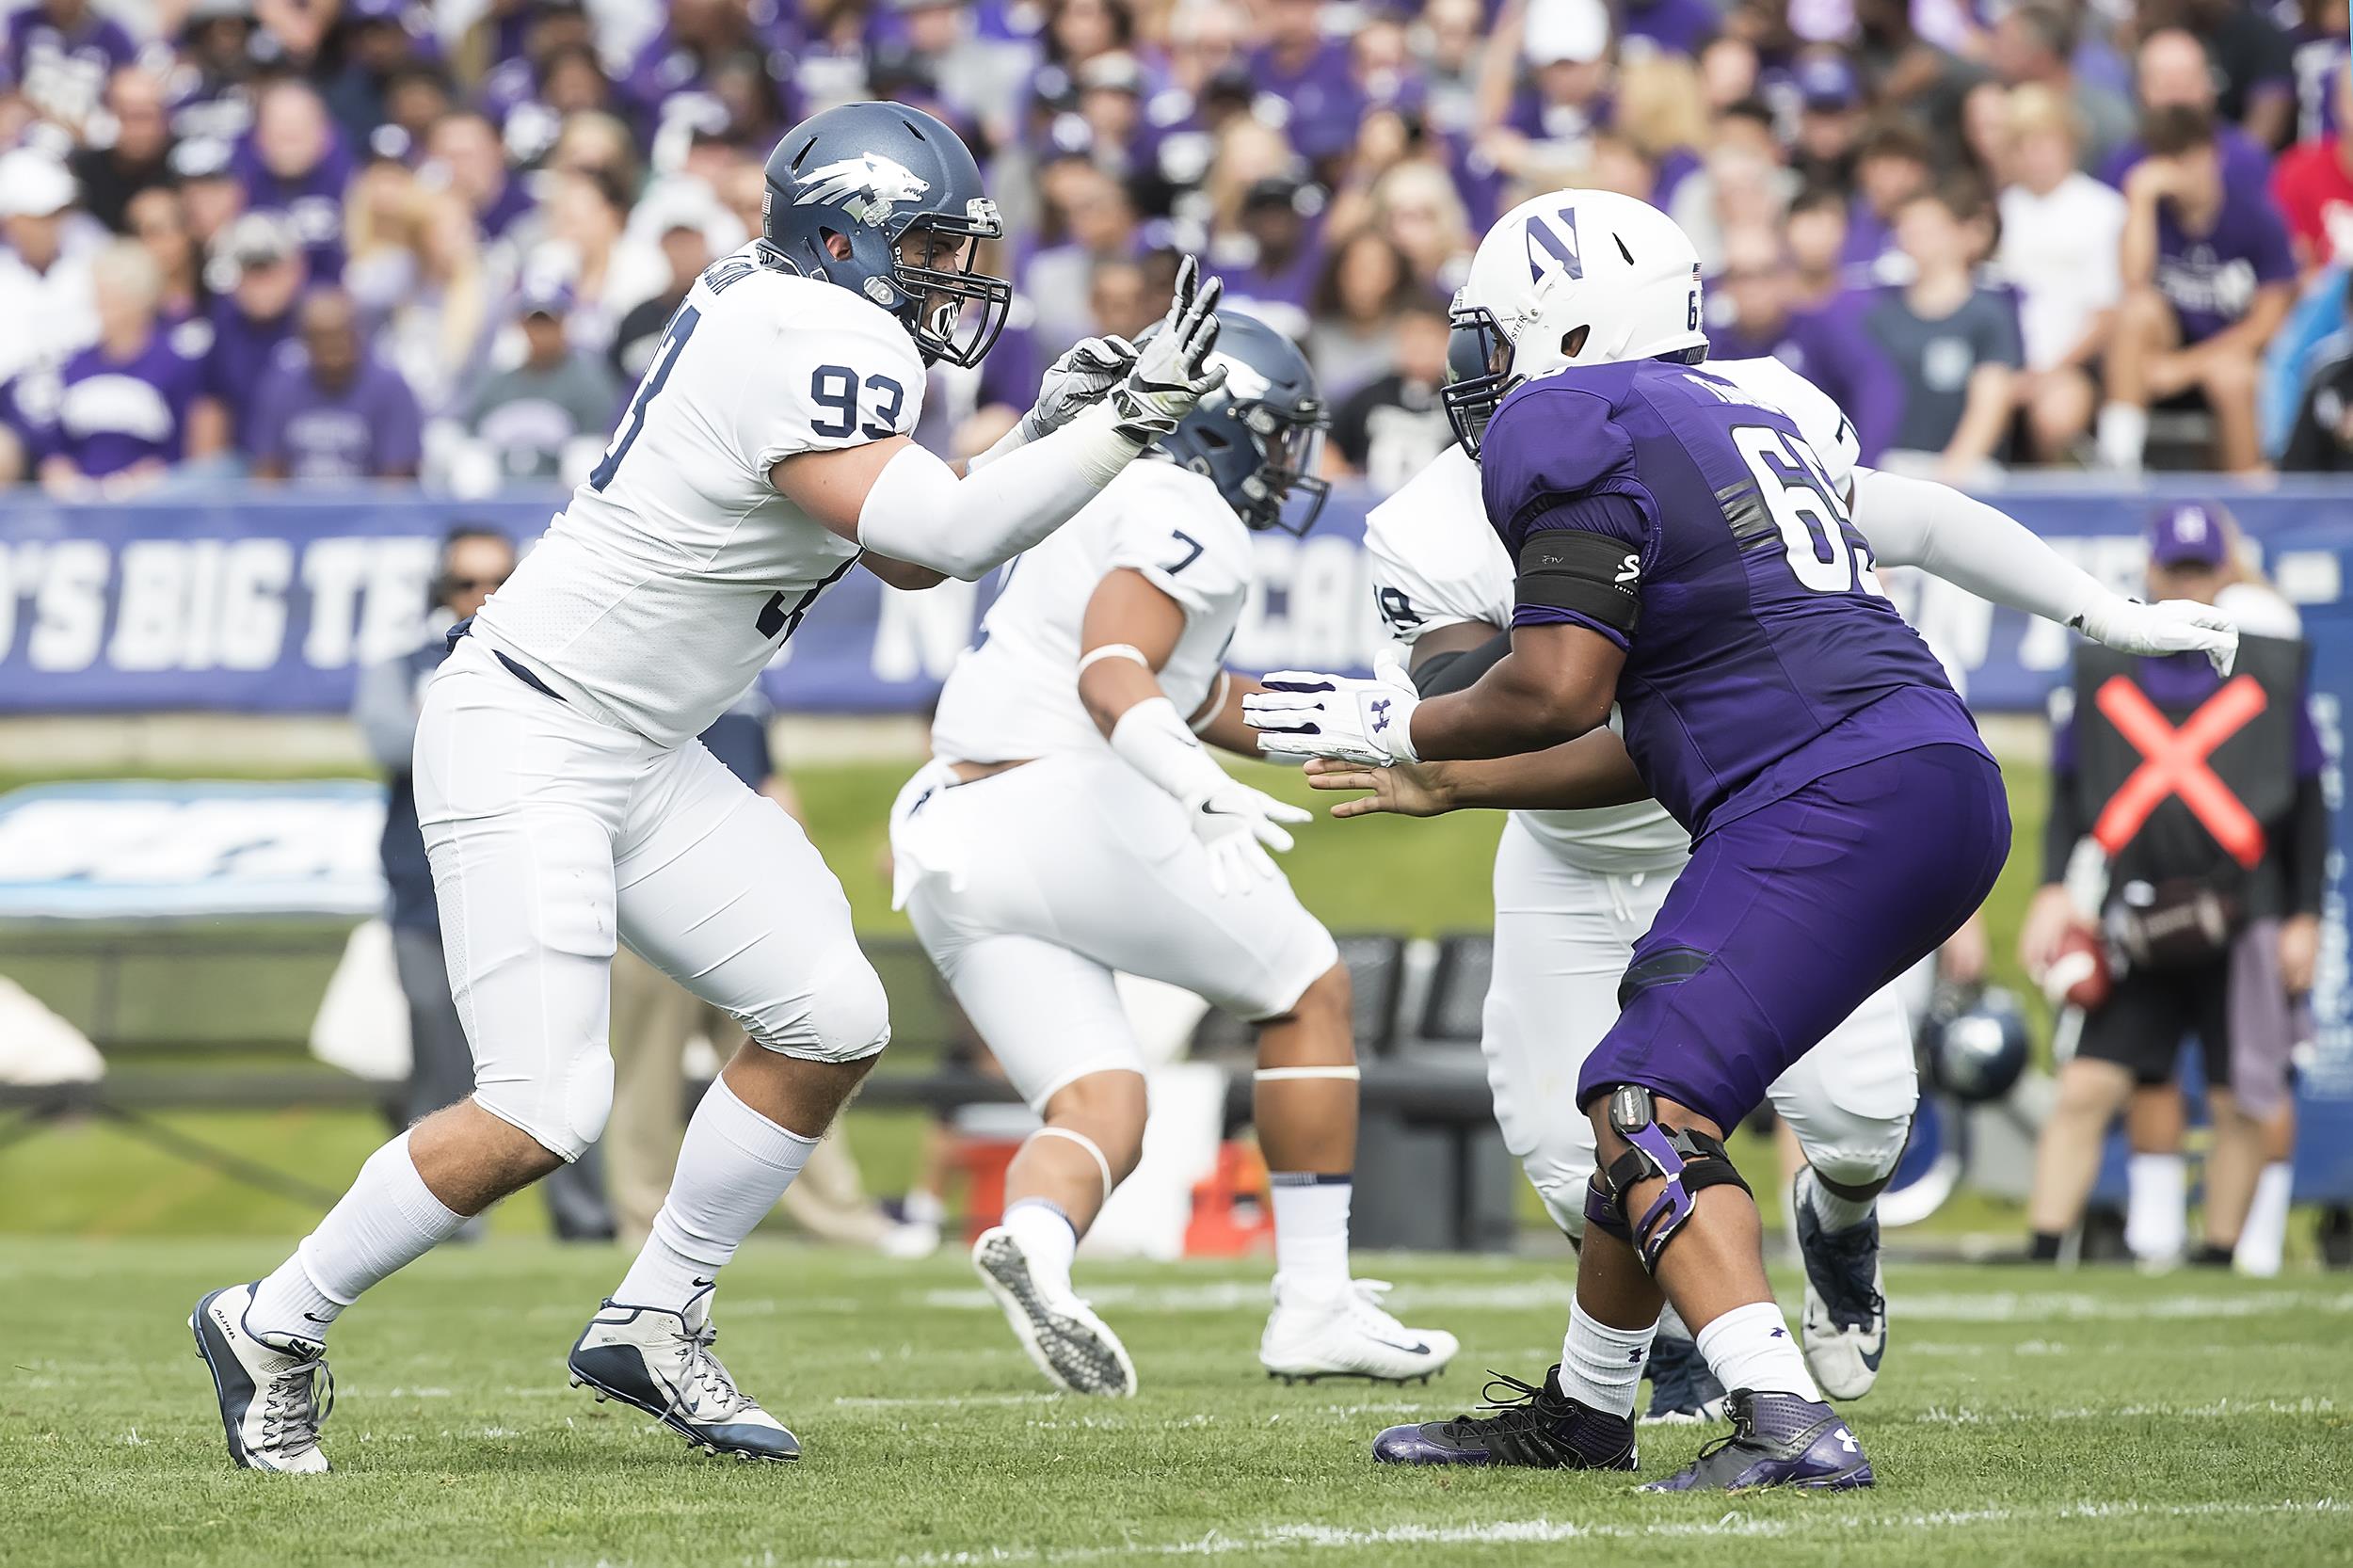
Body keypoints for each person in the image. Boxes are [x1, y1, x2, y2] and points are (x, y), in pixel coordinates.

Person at [189, 101, 1226, 1475]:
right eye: (927, 244)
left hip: (636, 747)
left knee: (830, 1012)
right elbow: (949, 535)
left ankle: (655, 1313)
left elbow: (911, 547)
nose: (956, 276)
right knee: (540, 1106)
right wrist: (1114, 432)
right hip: (532, 730)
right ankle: (271, 1321)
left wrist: (1047, 423)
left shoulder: (798, 322)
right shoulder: (813, 335)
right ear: (846, 237)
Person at [1244, 190, 2234, 1491]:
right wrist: (2098, 612)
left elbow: (1551, 690)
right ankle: (1590, 1411)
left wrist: (1396, 724)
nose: (1474, 371)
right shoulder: (1745, 408)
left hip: (1817, 794)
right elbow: (1670, 706)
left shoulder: (1568, 420)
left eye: (1496, 338)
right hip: (1883, 771)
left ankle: (1786, 1415)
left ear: (1571, 330)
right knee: (1631, 1092)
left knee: (1655, 1104)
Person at [893, 312, 1455, 1397]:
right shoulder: (1181, 504)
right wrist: (1197, 787)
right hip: (1057, 798)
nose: (1293, 462)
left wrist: (1380, 724)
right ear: (1228, 429)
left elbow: (1194, 692)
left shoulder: (1091, 484)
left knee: (1101, 1103)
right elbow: (1118, 674)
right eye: (1281, 435)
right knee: (1306, 986)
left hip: (947, 827)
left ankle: (1040, 1253)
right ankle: (1314, 1301)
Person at [2020, 504, 2324, 1272]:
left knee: (2241, 1096)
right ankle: (2044, 1250)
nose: (2187, 582)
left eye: (2201, 568)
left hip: (2245, 916)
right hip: (2138, 917)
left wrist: (2304, 916)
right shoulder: (2099, 671)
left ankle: (2221, 1257)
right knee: (2087, 1087)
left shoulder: (2276, 668)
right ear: (2151, 573)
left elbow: (2309, 804)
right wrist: (2054, 887)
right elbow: (2065, 791)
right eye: (2175, 568)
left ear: (2226, 574)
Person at [349, 525, 615, 1242]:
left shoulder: (555, 655)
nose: (484, 596)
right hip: (423, 896)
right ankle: (445, 1226)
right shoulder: (402, 661)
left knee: (567, 1057)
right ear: (444, 591)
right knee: (440, 1066)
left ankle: (586, 1221)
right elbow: (386, 741)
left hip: (530, 885)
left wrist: (445, 719)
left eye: (498, 578)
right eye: (468, 583)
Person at [2099, 106, 2297, 474]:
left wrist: (2185, 368)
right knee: (2136, 312)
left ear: (2213, 154)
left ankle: (2248, 501)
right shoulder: (2154, 213)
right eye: (2172, 161)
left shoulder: (2258, 218)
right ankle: (2117, 463)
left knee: (2232, 377)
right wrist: (2139, 201)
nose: (2185, 173)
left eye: (2192, 157)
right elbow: (2132, 283)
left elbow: (2269, 322)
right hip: (2161, 350)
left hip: (2230, 353)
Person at [1996, 85, 2127, 463]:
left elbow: (2107, 312)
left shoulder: (2104, 210)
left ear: (2070, 143)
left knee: (2056, 415)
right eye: (2024, 144)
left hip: (2070, 365)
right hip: (1999, 365)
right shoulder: (1998, 211)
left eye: (2046, 141)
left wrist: (2048, 371)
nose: (2036, 155)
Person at [1858, 184, 2022, 483]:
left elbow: (1991, 400)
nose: (1915, 235)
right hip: (1892, 463)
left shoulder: (1988, 314)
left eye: (1929, 227)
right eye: (1907, 226)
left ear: (1961, 234)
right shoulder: (1880, 315)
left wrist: (1953, 472)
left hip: (1968, 468)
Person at [32, 237, 220, 494]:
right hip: (79, 507)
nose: (100, 307)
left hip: (153, 506)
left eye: (112, 298)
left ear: (140, 300)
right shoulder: (74, 364)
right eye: (99, 296)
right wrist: (60, 473)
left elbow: (191, 454)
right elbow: (56, 447)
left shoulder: (176, 364)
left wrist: (147, 480)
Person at [247, 285, 424, 480]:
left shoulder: (391, 388)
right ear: (304, 340)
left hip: (369, 509)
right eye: (321, 339)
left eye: (339, 337)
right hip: (298, 508)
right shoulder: (279, 387)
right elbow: (267, 473)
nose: (331, 349)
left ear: (357, 335)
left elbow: (397, 482)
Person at [456, 280, 619, 484]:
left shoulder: (588, 384)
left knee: (583, 458)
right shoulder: (496, 384)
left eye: (548, 321)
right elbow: (471, 438)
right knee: (471, 459)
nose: (540, 332)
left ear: (564, 322)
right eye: (534, 322)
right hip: (500, 494)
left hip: (563, 499)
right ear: (521, 324)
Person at [1326, 290, 1454, 489]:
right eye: (1411, 335)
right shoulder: (1370, 396)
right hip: (1374, 508)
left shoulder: (1463, 399)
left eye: (1428, 335)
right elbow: (1329, 448)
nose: (1419, 345)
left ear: (1448, 340)